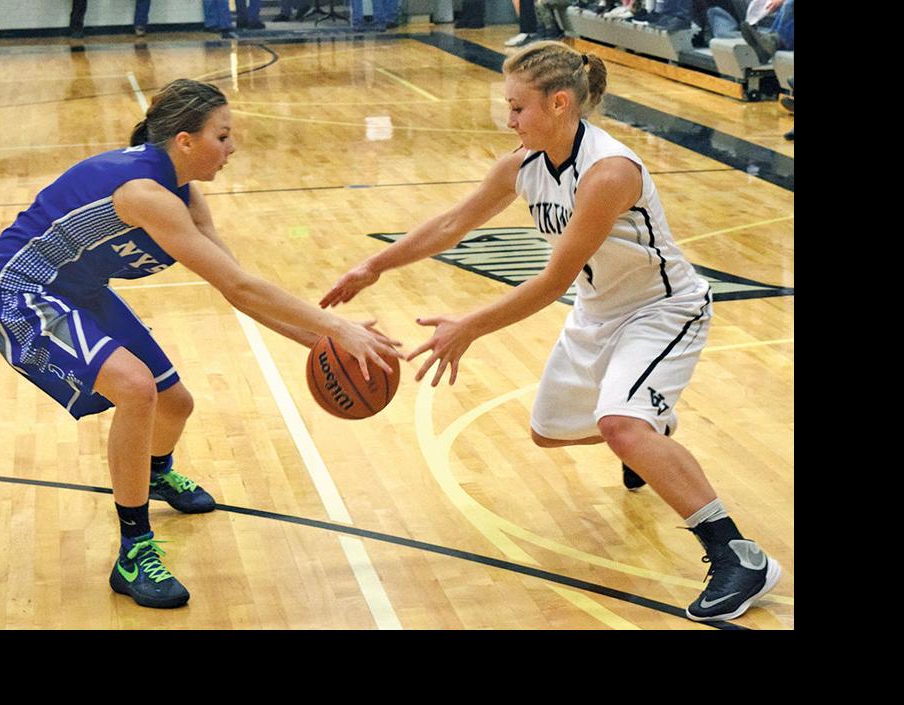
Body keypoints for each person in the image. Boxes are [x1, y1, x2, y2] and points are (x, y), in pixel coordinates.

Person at [321, 41, 782, 623]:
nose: (509, 120)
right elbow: (452, 223)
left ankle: (739, 555)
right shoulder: (523, 163)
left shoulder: (609, 171)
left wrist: (469, 327)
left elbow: (551, 281)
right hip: (597, 312)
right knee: (549, 433)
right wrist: (373, 266)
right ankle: (649, 435)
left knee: (618, 423)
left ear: (559, 103)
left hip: (662, 310)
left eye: (518, 108)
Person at [0, 79, 400, 609]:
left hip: (78, 289)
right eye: (223, 136)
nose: (232, 148)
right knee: (136, 390)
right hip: (21, 291)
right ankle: (134, 552)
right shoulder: (144, 195)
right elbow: (243, 288)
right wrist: (339, 330)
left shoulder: (185, 194)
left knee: (176, 403)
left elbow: (237, 287)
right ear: (185, 141)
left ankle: (154, 476)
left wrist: (327, 343)